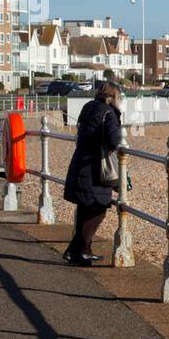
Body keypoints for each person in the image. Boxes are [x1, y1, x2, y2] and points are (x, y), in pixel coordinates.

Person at [62, 80, 123, 265]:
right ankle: (77, 250)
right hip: (96, 168)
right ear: (112, 97)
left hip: (81, 162)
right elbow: (114, 140)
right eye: (119, 97)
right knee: (98, 208)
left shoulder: (88, 107)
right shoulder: (109, 113)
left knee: (84, 209)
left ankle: (82, 251)